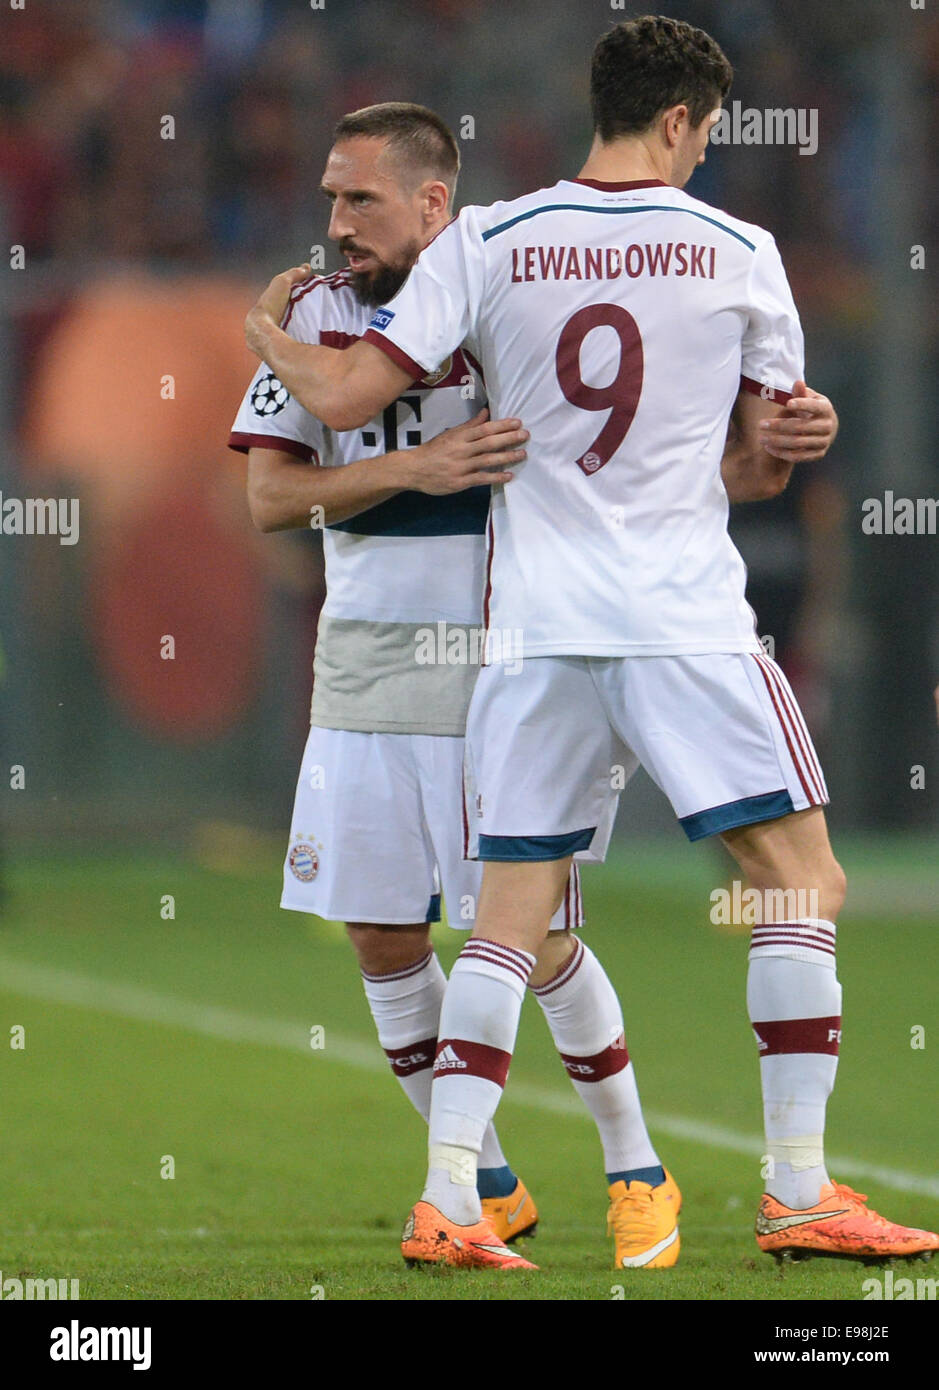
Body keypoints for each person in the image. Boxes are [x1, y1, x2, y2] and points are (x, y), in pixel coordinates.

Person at [242, 18, 938, 1274]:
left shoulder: (490, 238)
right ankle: (796, 1186)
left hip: (536, 627)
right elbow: (754, 472)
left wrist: (269, 334)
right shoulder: (739, 247)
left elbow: (341, 401)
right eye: (710, 129)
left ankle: (453, 1193)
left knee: (505, 918)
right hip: (679, 620)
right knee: (803, 885)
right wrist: (790, 442)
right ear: (681, 120)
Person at [231, 103, 683, 1271]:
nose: (336, 225)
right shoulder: (318, 316)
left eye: (360, 199)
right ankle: (479, 1182)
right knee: (382, 932)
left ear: (434, 202)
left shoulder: (512, 298)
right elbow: (273, 501)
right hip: (368, 659)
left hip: (508, 659)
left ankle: (636, 1165)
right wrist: (413, 465)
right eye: (331, 197)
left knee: (524, 937)